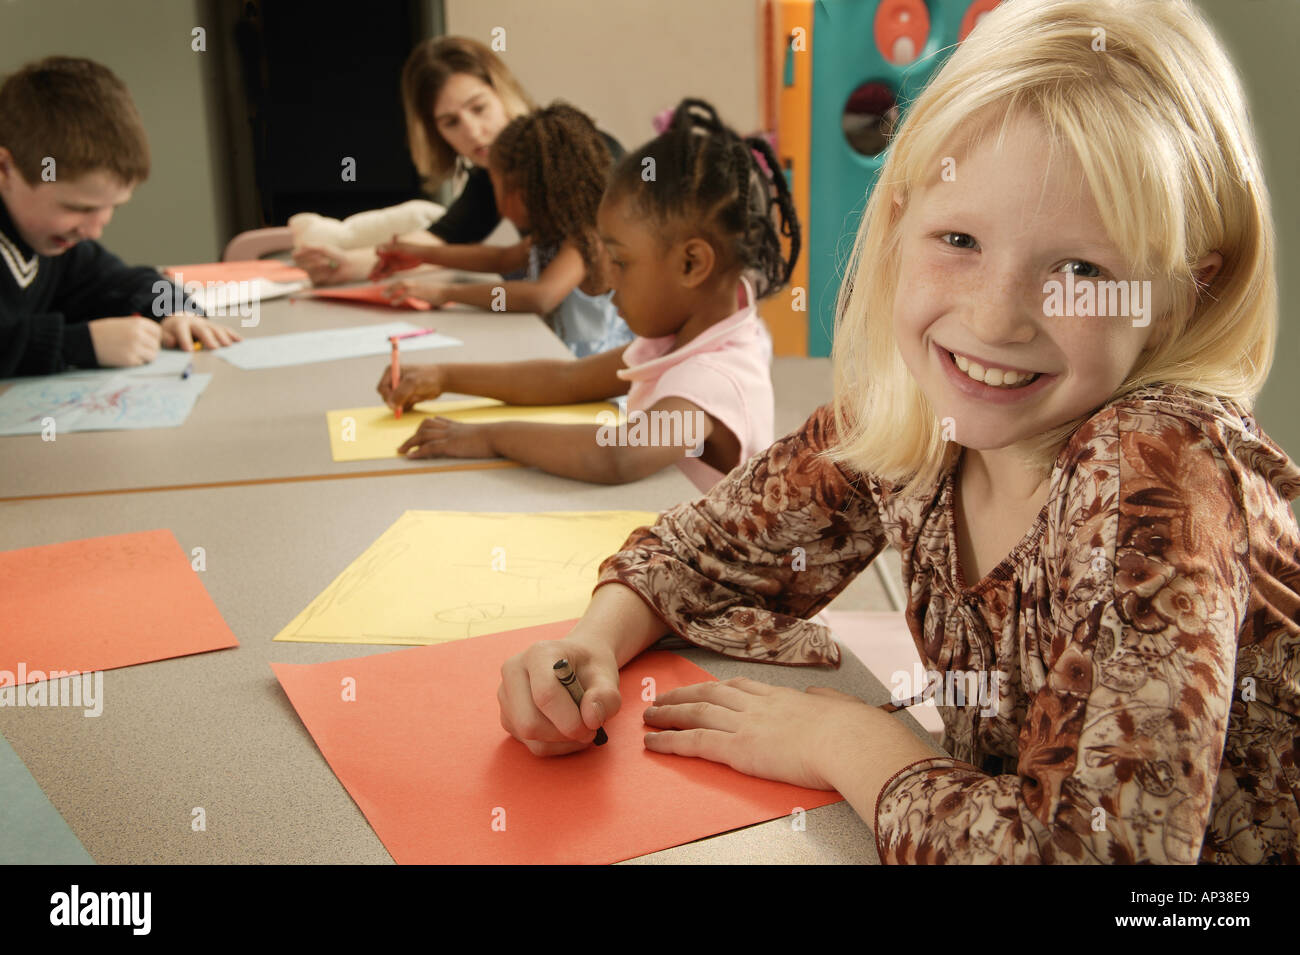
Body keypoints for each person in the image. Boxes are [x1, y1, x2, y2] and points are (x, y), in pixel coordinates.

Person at [495, 0, 1300, 864]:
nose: (994, 319)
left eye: (1079, 268)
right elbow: (706, 548)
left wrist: (845, 742)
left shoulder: (1158, 469)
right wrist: (588, 647)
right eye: (959, 238)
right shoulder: (914, 406)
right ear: (899, 221)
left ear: (1185, 291)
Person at [376, 99, 798, 491]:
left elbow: (618, 455)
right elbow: (566, 379)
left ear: (691, 265)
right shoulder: (685, 332)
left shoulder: (713, 376)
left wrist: (490, 436)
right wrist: (446, 377)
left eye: (621, 261)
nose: (608, 281)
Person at [294, 37, 620, 285]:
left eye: (479, 108)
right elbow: (447, 242)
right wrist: (347, 264)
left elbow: (544, 293)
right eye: (451, 123)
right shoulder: (486, 173)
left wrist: (444, 292)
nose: (474, 133)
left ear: (502, 93)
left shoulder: (577, 159)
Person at [0, 56, 238, 378]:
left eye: (112, 208)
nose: (94, 230)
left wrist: (173, 310)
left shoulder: (55, 245)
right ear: (5, 170)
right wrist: (80, 344)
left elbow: (120, 283)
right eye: (79, 209)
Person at [372, 102, 634, 359]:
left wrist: (443, 293)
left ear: (530, 191)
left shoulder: (585, 240)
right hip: (560, 360)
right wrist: (422, 253)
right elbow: (501, 258)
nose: (497, 203)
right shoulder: (553, 234)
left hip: (594, 376)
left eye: (499, 188)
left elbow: (540, 296)